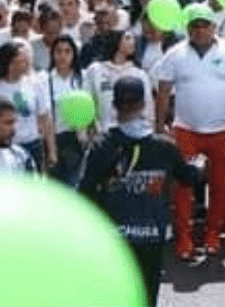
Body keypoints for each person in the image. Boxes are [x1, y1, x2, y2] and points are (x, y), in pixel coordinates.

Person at [78, 76, 197, 307]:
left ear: (113, 106)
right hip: (152, 235)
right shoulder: (165, 146)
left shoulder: (102, 145)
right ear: (144, 105)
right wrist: (200, 164)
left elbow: (84, 191)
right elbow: (188, 178)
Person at [156, 3, 225, 258]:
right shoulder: (175, 54)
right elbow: (164, 91)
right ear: (188, 28)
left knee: (220, 185)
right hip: (185, 130)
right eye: (194, 25)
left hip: (222, 130)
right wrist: (159, 126)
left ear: (214, 27)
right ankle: (184, 239)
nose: (200, 30)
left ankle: (213, 235)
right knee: (183, 186)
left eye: (204, 25)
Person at [0, 42, 56, 171]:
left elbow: (45, 118)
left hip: (31, 145)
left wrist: (51, 151)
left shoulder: (35, 84)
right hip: (1, 147)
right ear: (10, 63)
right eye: (22, 59)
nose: (27, 62)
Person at [85, 30, 154, 131]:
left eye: (133, 38)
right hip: (103, 133)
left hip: (132, 133)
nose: (132, 42)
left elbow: (148, 108)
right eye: (127, 38)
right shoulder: (95, 70)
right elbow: (88, 100)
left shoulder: (139, 74)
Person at [42, 35, 86, 185]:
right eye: (58, 51)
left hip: (77, 140)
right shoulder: (45, 79)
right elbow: (44, 114)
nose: (63, 56)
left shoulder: (83, 78)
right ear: (52, 54)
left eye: (67, 52)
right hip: (53, 137)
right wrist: (51, 150)